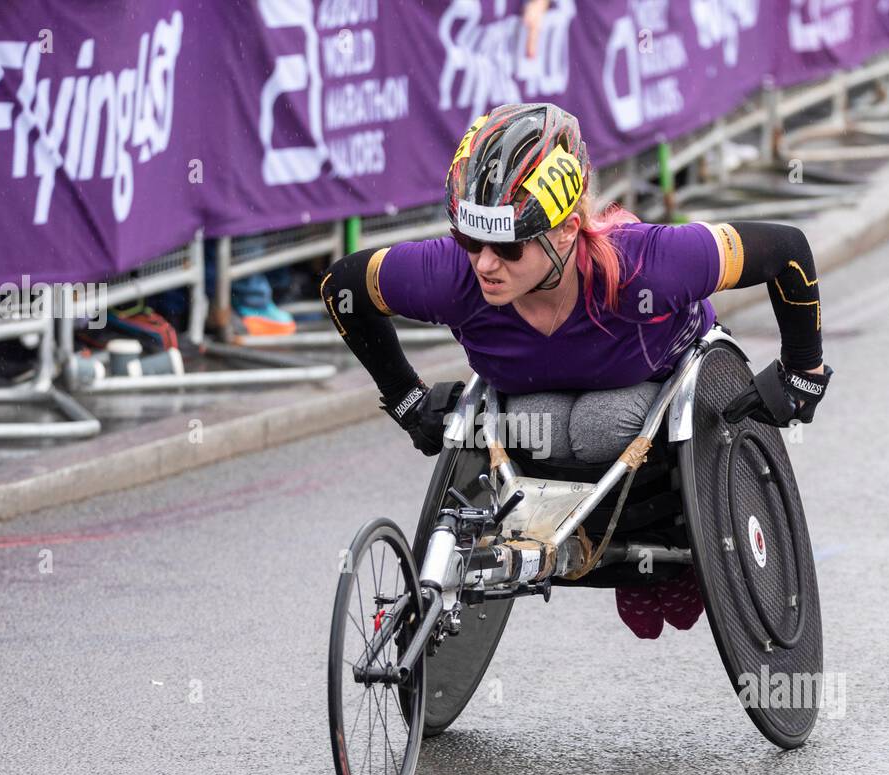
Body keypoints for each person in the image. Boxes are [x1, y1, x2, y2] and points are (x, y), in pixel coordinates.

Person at [320, 102, 833, 639]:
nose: (485, 265)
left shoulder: (648, 264)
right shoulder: (451, 275)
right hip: (538, 415)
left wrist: (803, 370)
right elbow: (344, 289)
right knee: (550, 424)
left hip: (653, 395)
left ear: (565, 231)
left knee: (596, 425)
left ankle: (663, 522)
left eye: (508, 247)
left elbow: (788, 252)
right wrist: (408, 401)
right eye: (470, 241)